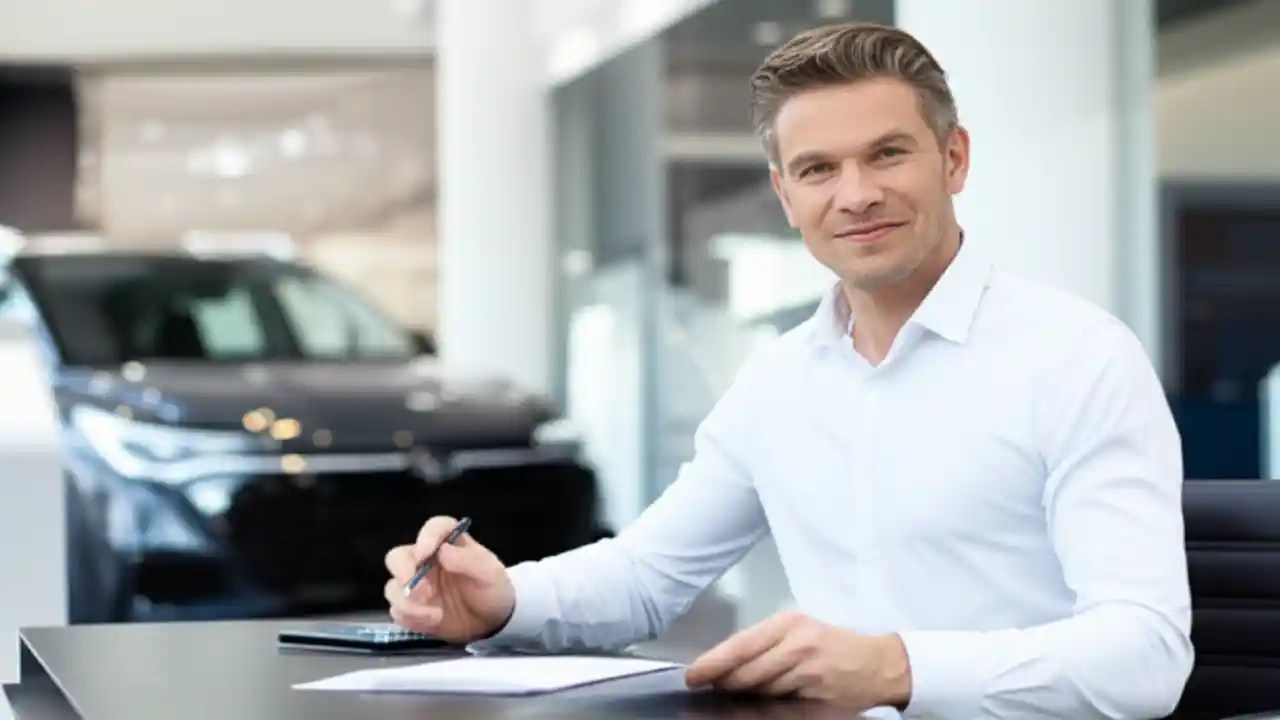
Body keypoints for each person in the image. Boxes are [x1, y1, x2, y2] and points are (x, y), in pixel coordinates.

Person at [383, 21, 1193, 719]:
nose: (857, 195)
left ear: (954, 159)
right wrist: (504, 601)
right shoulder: (778, 382)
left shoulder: (1076, 356)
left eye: (888, 155)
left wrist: (899, 668)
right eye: (818, 169)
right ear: (784, 193)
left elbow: (1145, 655)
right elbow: (644, 577)